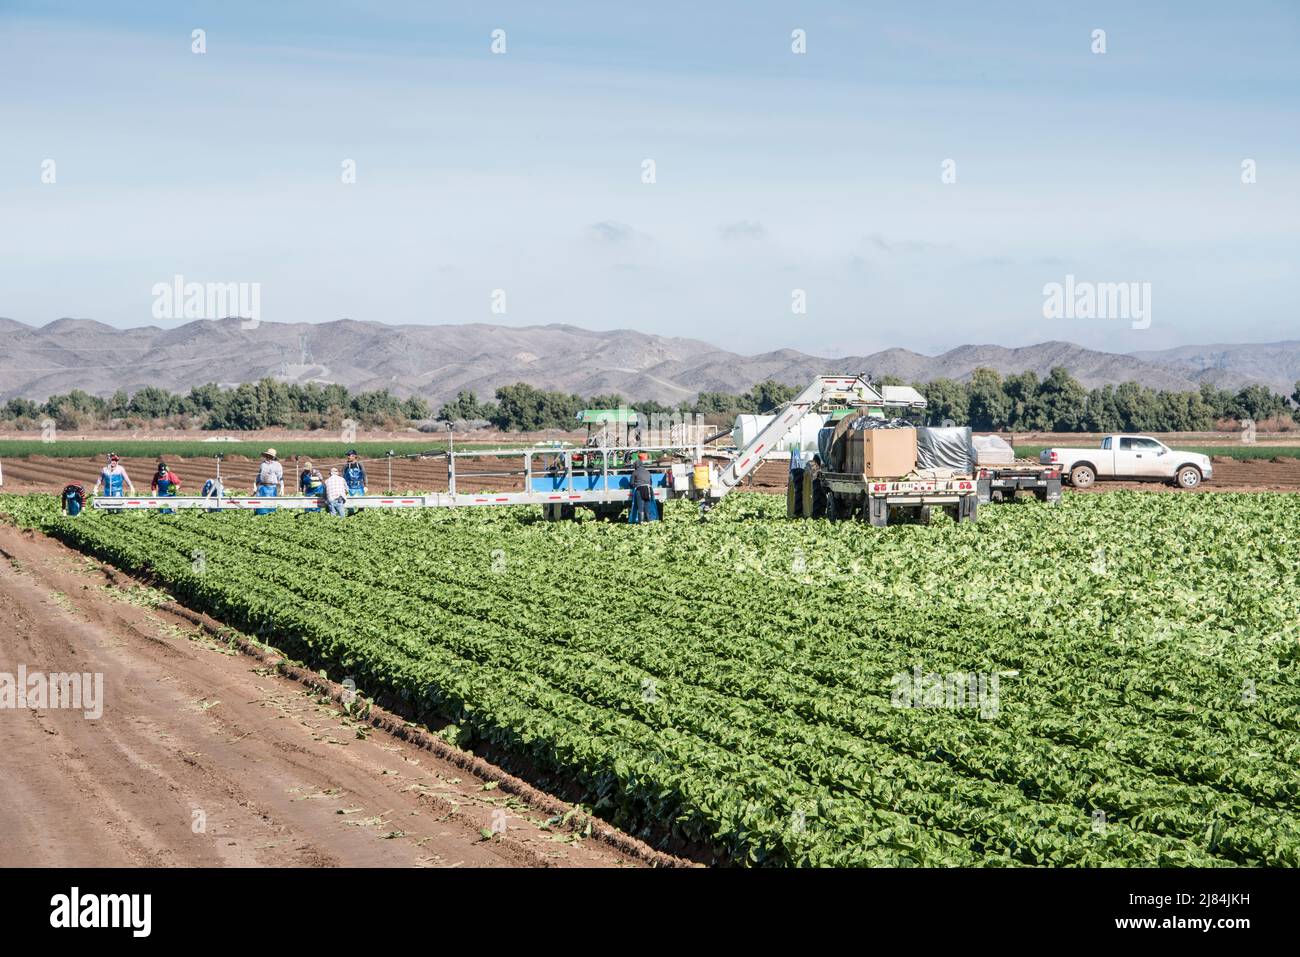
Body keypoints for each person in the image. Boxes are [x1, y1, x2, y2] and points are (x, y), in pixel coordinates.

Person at [254, 448, 283, 515]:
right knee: (261, 505)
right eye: (267, 455)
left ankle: (270, 515)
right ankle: (261, 515)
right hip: (262, 487)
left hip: (272, 488)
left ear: (272, 457)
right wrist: (255, 485)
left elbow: (280, 477)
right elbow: (258, 476)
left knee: (271, 505)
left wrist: (282, 488)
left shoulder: (277, 465)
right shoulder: (263, 464)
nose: (268, 457)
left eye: (269, 456)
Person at [630, 452, 654, 524]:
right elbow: (651, 482)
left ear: (636, 466)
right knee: (647, 506)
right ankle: (649, 521)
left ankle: (641, 521)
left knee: (640, 506)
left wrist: (634, 486)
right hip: (648, 489)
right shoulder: (647, 472)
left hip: (640, 490)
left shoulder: (635, 472)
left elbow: (631, 483)